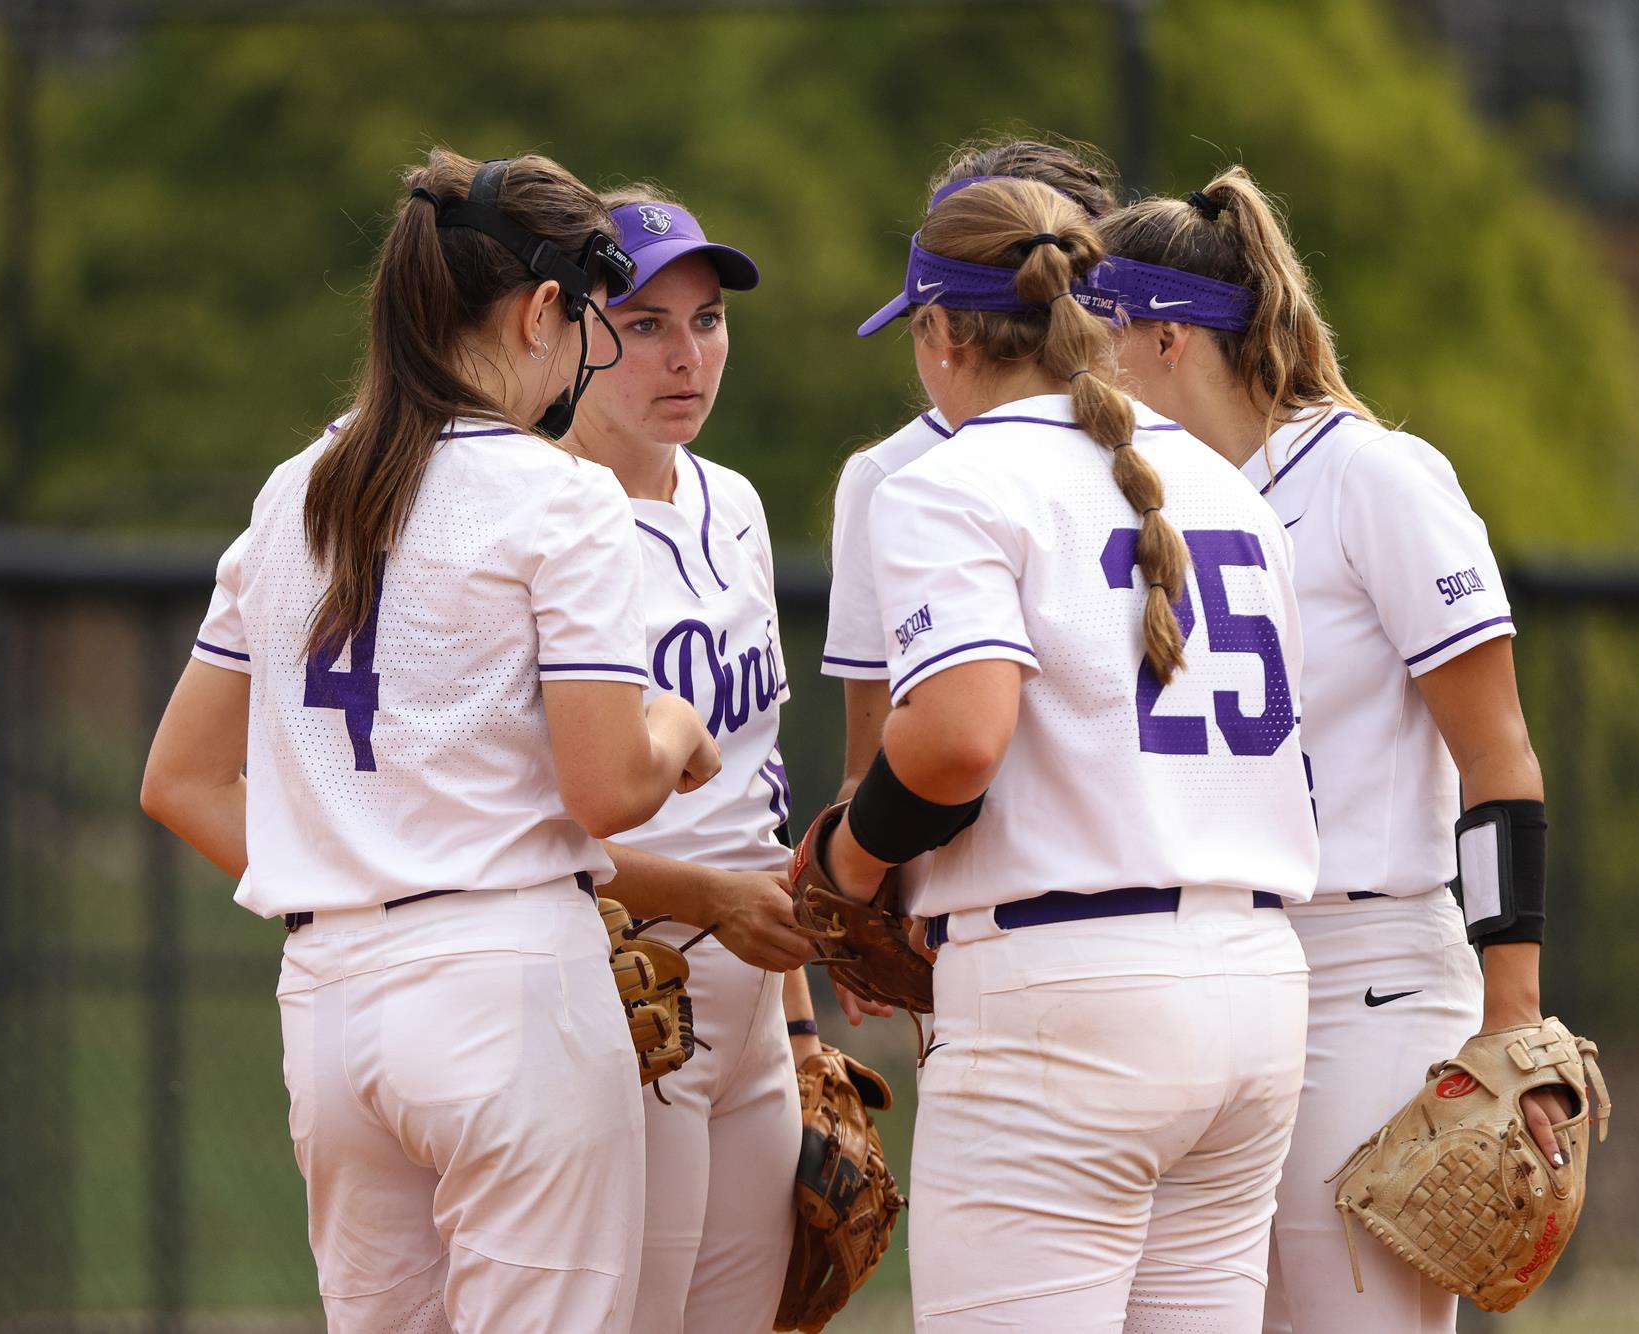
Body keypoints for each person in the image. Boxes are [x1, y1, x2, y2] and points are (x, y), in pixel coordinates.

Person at [138, 149, 721, 1334]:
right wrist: (674, 724)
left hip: (333, 1003)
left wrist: (348, 867)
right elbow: (608, 786)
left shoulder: (294, 487)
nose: (582, 361)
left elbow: (181, 782)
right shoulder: (557, 494)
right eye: (588, 327)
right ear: (542, 310)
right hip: (505, 984)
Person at [810, 175, 1319, 1331]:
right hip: (1252, 986)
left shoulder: (949, 481)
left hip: (1067, 997)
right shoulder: (1219, 483)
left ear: (939, 333)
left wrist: (847, 863)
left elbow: (952, 739)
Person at [1097, 168, 1568, 1334]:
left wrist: (1512, 1010)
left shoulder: (1369, 475)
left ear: (1161, 337)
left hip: (1373, 968)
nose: (1072, 363)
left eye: (1091, 331)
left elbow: (1497, 755)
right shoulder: (1148, 502)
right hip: (1221, 970)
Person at [563, 186, 818, 1334]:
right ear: (570, 327)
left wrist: (802, 1026)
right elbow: (532, 821)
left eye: (706, 318)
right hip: (625, 979)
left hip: (753, 991)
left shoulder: (738, 502)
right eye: (646, 321)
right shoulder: (541, 516)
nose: (687, 354)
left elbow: (758, 788)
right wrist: (708, 899)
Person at [820, 135, 1120, 1026]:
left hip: (1031, 936)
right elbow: (873, 748)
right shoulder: (1198, 465)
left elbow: (939, 743)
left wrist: (847, 880)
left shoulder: (931, 482)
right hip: (1228, 940)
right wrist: (868, 914)